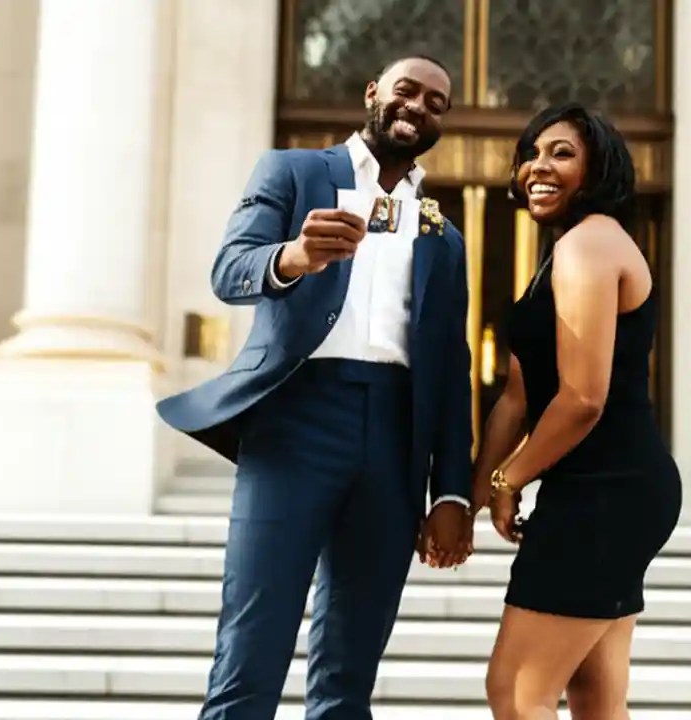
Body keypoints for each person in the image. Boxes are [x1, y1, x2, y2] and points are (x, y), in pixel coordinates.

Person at [155, 55, 475, 719]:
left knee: (350, 666)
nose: (418, 107)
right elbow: (228, 268)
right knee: (253, 642)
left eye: (437, 102)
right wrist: (293, 258)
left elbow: (450, 365)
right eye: (406, 91)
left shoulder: (444, 235)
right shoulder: (294, 172)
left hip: (394, 435)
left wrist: (452, 489)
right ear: (373, 95)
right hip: (295, 420)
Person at [472, 103, 683, 719]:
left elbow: (583, 400)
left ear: (598, 171)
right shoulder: (559, 256)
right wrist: (473, 492)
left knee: (515, 692)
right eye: (531, 153)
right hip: (602, 490)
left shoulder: (591, 245)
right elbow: (517, 396)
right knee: (594, 699)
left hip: (607, 492)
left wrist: (511, 479)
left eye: (560, 152)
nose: (538, 165)